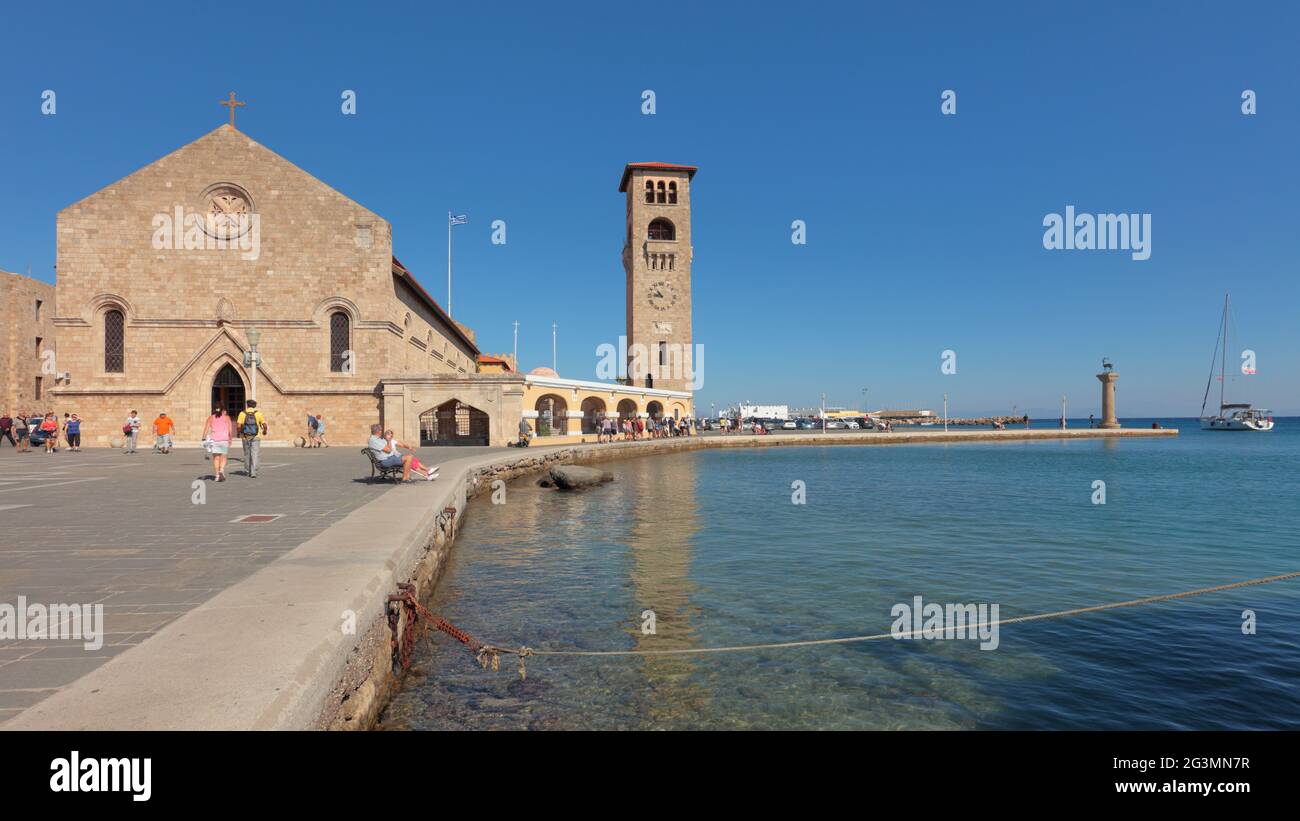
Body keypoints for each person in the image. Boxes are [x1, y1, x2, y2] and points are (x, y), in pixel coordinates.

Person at [368, 423, 437, 481]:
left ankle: (427, 473)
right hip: (386, 461)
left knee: (411, 459)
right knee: (409, 457)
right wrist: (388, 441)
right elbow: (389, 450)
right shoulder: (375, 441)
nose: (381, 431)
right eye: (381, 430)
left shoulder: (377, 439)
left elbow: (396, 447)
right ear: (378, 431)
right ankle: (406, 478)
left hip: (390, 457)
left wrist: (409, 447)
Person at [236, 400, 268, 478]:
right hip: (256, 436)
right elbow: (264, 424)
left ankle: (247, 471)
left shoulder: (242, 413)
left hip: (245, 436)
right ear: (254, 406)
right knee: (255, 454)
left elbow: (238, 426)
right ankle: (254, 472)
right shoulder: (258, 414)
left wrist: (239, 433)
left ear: (247, 405)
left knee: (247, 454)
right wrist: (264, 431)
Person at [201, 406, 233, 481]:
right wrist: (230, 439)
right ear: (222, 410)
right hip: (224, 440)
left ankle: (217, 475)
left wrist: (203, 438)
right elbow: (230, 429)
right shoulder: (226, 417)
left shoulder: (210, 418)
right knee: (223, 457)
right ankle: (221, 469)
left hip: (214, 440)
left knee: (216, 458)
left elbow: (206, 429)